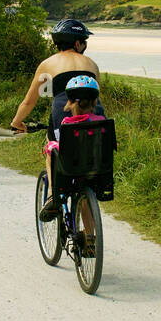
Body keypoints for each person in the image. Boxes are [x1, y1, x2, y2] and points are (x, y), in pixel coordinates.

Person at [38, 74, 111, 228]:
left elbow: (63, 145)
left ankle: (52, 193)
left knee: (51, 149)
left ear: (69, 103)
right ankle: (90, 238)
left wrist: (52, 145)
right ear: (94, 101)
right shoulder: (101, 123)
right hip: (96, 168)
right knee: (84, 194)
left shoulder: (66, 124)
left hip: (70, 168)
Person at [9, 18, 101, 138]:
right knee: (98, 148)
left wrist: (16, 122)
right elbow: (98, 96)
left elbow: (29, 102)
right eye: (84, 42)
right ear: (77, 44)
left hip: (62, 114)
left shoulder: (47, 63)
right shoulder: (92, 64)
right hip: (95, 115)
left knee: (53, 147)